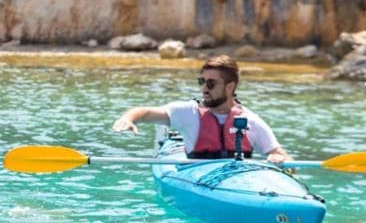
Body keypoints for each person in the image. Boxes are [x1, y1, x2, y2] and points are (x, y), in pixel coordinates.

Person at [112, 54, 292, 164]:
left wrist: (280, 159)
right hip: (198, 177)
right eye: (202, 82)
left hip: (239, 183)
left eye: (211, 84)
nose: (204, 89)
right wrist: (129, 119)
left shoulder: (250, 120)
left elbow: (281, 155)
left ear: (230, 87)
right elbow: (145, 112)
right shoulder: (188, 112)